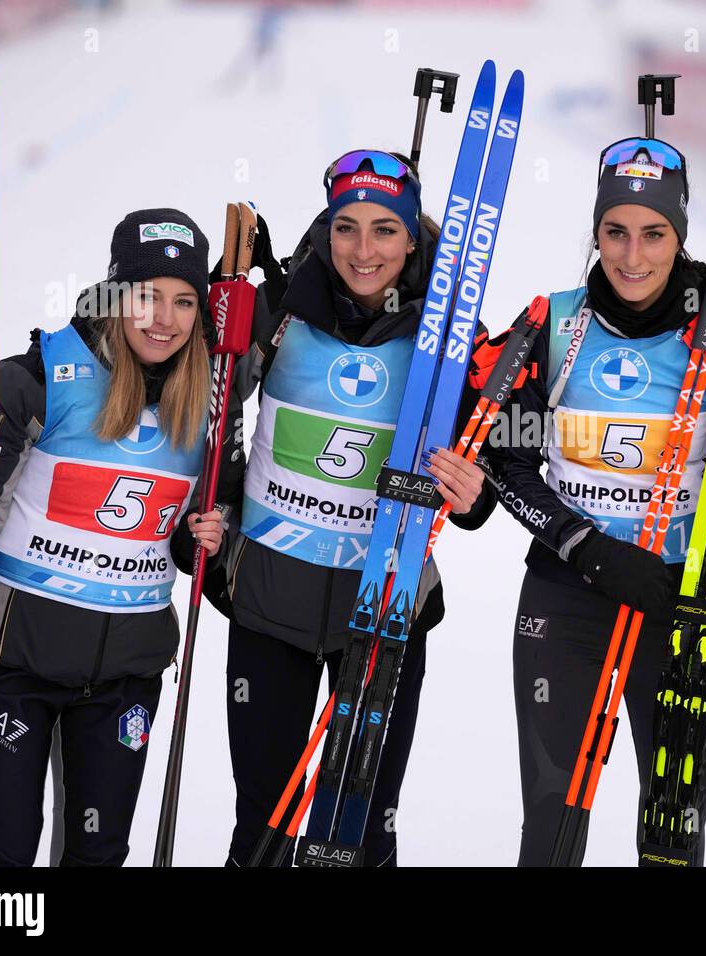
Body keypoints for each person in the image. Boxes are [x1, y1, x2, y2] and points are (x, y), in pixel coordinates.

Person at [484, 137, 706, 865]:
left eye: (654, 234)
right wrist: (587, 548)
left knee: (672, 830)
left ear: (679, 234)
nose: (633, 256)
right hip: (566, 598)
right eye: (615, 232)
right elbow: (506, 464)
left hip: (681, 601)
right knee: (552, 824)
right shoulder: (556, 328)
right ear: (594, 234)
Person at [0, 209, 235, 866]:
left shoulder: (210, 399)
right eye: (146, 296)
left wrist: (206, 532)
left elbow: (179, 536)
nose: (163, 319)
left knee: (97, 854)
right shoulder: (35, 378)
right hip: (15, 666)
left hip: (127, 674)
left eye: (183, 301)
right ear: (116, 294)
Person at [222, 150, 496, 867]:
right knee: (263, 827)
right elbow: (206, 416)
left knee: (361, 831)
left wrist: (473, 496)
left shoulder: (453, 335)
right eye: (347, 228)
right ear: (325, 230)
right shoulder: (280, 309)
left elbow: (480, 474)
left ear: (412, 238)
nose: (364, 250)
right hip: (268, 607)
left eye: (384, 230)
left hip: (384, 610)